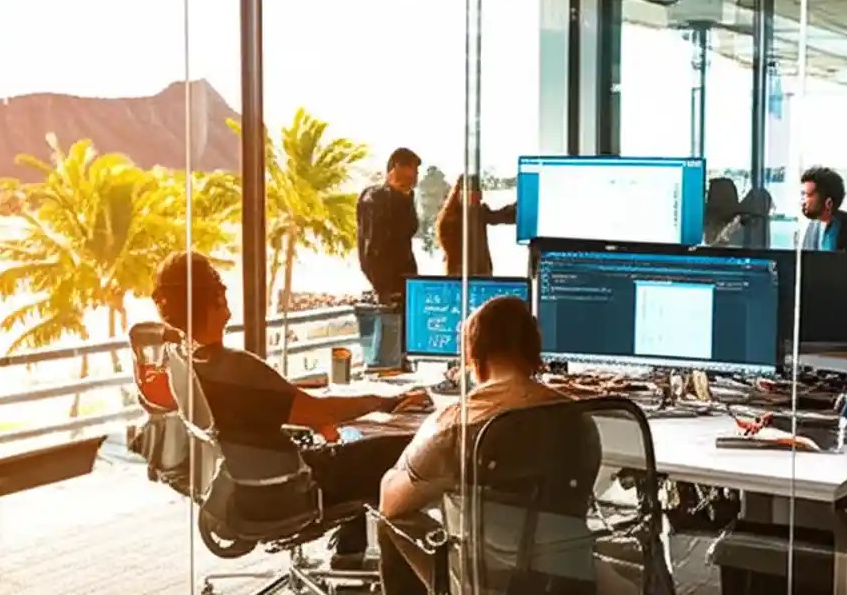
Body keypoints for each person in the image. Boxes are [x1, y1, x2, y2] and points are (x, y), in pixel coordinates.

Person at [150, 252, 428, 568]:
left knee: (356, 449)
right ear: (212, 296)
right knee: (410, 449)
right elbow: (322, 413)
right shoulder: (237, 367)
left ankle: (349, 555)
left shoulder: (187, 361)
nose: (225, 290)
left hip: (247, 484)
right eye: (218, 283)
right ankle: (412, 574)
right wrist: (387, 401)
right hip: (291, 488)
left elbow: (268, 403)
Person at [376, 297, 567, 594]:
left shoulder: (459, 425)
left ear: (473, 357)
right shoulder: (578, 419)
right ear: (533, 350)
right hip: (565, 575)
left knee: (390, 520)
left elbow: (391, 502)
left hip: (488, 581)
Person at [358, 147, 422, 305]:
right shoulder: (374, 197)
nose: (415, 176)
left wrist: (404, 195)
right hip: (388, 288)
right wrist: (383, 288)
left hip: (405, 283)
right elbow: (374, 244)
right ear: (398, 168)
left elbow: (410, 227)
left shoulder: (405, 198)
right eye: (412, 170)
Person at [435, 174, 516, 276]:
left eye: (478, 192)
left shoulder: (478, 212)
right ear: (461, 193)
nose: (478, 197)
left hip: (481, 274)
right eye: (472, 192)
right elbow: (449, 250)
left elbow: (501, 216)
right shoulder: (450, 219)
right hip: (460, 276)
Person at [800, 166, 847, 252]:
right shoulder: (812, 227)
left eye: (808, 195)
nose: (802, 201)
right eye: (802, 195)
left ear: (828, 203)